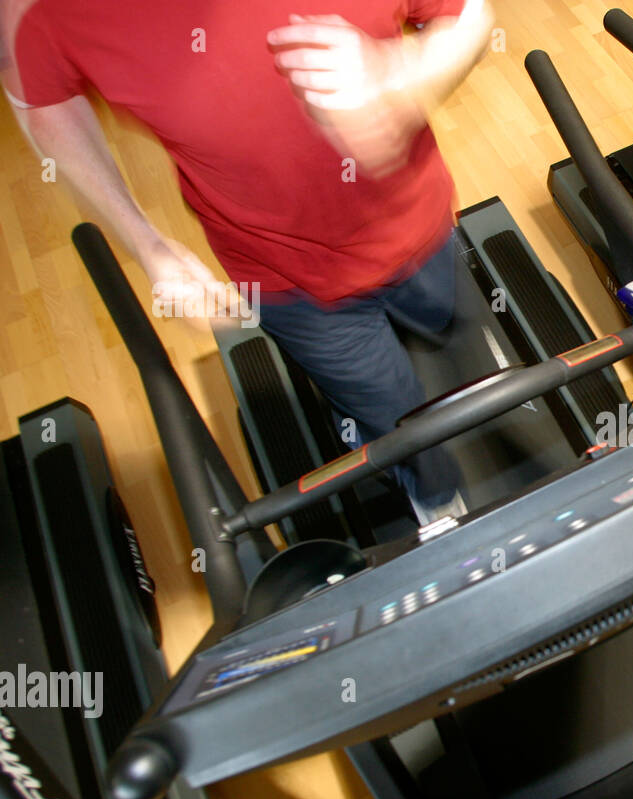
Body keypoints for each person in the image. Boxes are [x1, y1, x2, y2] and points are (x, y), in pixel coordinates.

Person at [2, 0, 496, 526]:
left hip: (423, 224)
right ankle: (436, 494)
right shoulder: (46, 12)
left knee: (457, 334)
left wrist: (405, 85)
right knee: (387, 408)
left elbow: (469, 14)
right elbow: (42, 100)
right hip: (290, 281)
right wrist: (146, 244)